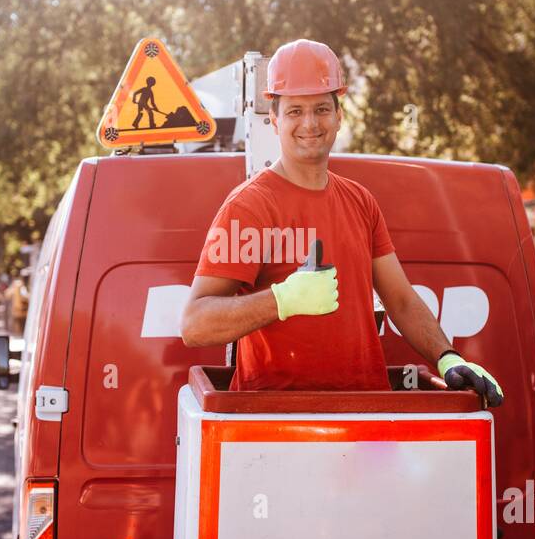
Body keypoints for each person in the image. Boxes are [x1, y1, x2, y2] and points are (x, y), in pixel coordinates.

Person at [179, 38, 502, 404]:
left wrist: (447, 358)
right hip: (275, 425)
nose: (310, 123)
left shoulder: (360, 201)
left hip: (364, 416)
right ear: (274, 120)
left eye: (320, 109)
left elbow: (401, 300)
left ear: (338, 116)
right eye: (295, 111)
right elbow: (195, 324)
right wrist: (282, 299)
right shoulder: (250, 207)